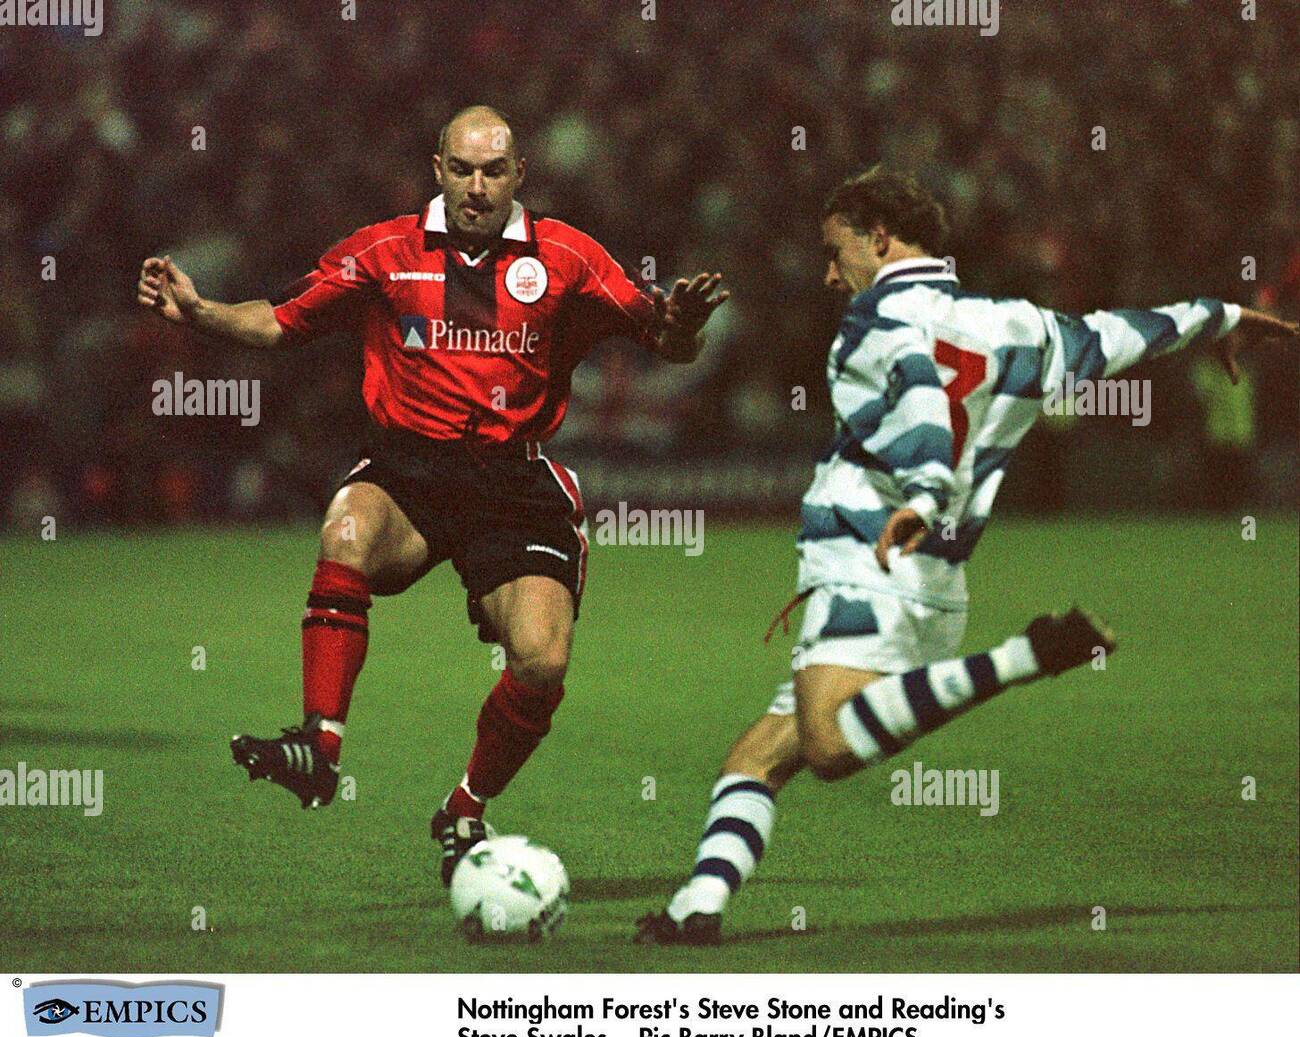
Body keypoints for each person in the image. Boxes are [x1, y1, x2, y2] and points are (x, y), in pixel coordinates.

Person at [637, 165, 1298, 945]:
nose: (827, 272)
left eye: (834, 249)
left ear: (878, 238)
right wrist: (1216, 316)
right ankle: (698, 910)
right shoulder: (1018, 325)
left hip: (870, 561)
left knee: (828, 744)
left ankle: (1025, 656)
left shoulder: (876, 323)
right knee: (756, 757)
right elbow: (1111, 337)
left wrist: (920, 491)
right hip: (940, 585)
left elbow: (921, 399)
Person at [136, 105, 728, 883]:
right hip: (409, 471)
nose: (477, 188)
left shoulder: (569, 258)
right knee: (345, 531)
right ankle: (319, 746)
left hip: (512, 482)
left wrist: (682, 327)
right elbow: (280, 322)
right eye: (462, 169)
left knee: (542, 665)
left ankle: (464, 809)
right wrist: (201, 312)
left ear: (520, 175)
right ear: (437, 169)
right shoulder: (384, 251)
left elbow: (664, 337)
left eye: (493, 171)